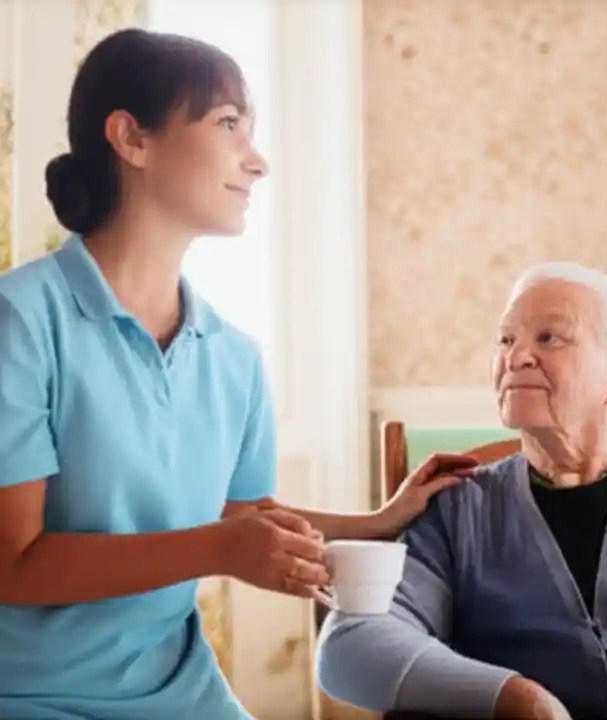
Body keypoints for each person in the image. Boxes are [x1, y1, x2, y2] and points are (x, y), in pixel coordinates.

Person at [0, 29, 472, 719]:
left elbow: (238, 516)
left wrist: (376, 523)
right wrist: (218, 549)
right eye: (228, 125)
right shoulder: (20, 322)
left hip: (182, 691)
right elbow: (14, 563)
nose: (257, 161)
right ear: (131, 138)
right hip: (28, 694)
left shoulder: (234, 356)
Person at [316, 263, 607, 720]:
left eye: (548, 338)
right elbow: (350, 644)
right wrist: (518, 700)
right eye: (505, 340)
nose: (516, 357)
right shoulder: (457, 506)